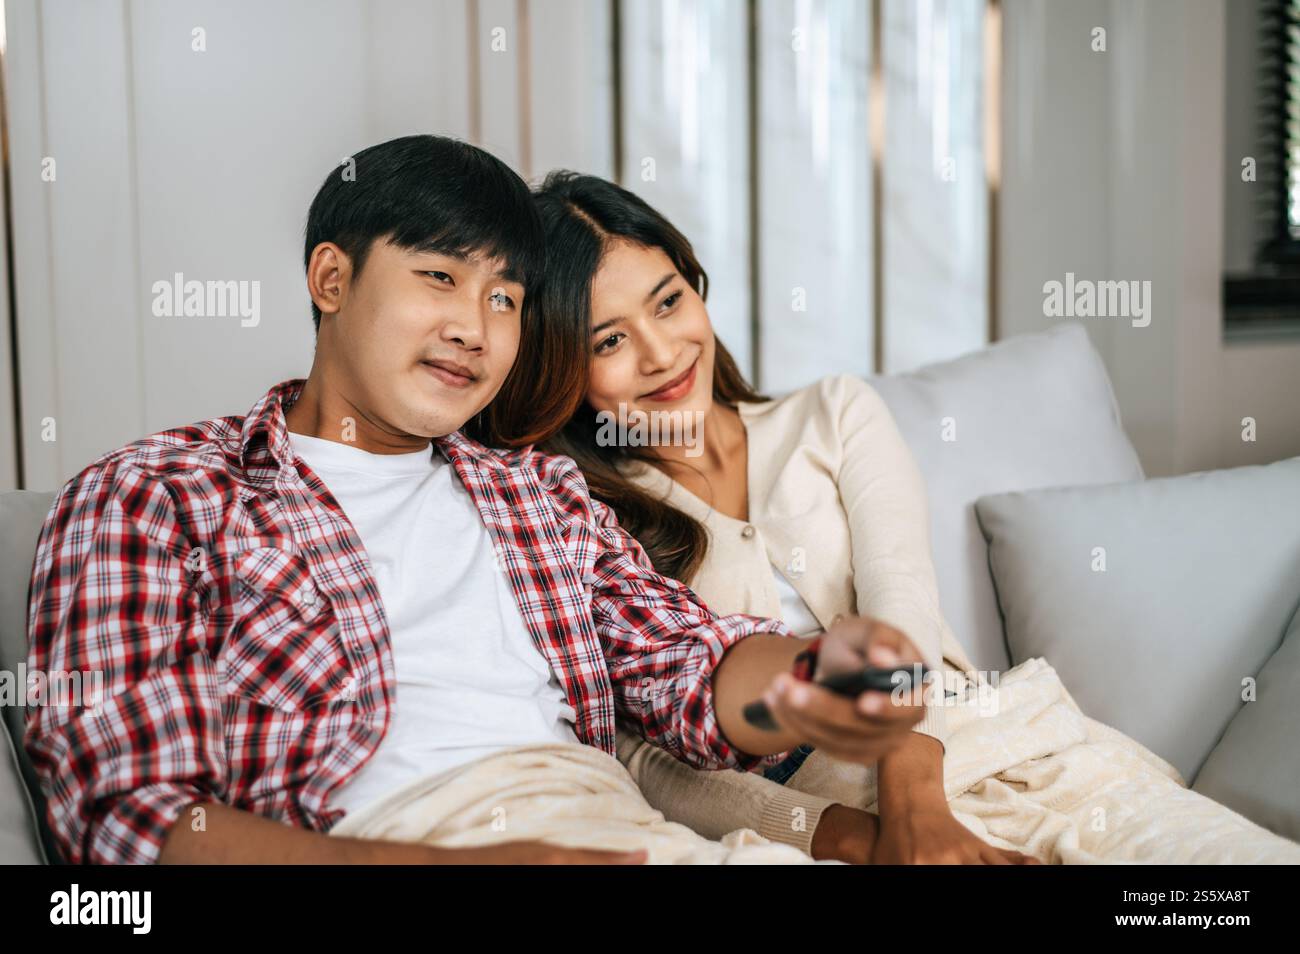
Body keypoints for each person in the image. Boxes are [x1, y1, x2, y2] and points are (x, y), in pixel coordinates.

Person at [24, 135, 929, 866]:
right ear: (331, 281)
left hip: (618, 835)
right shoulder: (155, 496)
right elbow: (125, 820)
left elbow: (686, 665)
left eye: (506, 297)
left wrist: (807, 683)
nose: (475, 327)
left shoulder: (537, 491)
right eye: (440, 278)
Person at [507, 170, 1051, 864]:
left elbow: (902, 593)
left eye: (668, 301)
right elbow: (640, 762)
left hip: (1000, 746)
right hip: (826, 827)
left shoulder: (834, 413)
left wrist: (918, 812)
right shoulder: (583, 517)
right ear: (564, 370)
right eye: (608, 341)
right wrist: (851, 837)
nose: (662, 352)